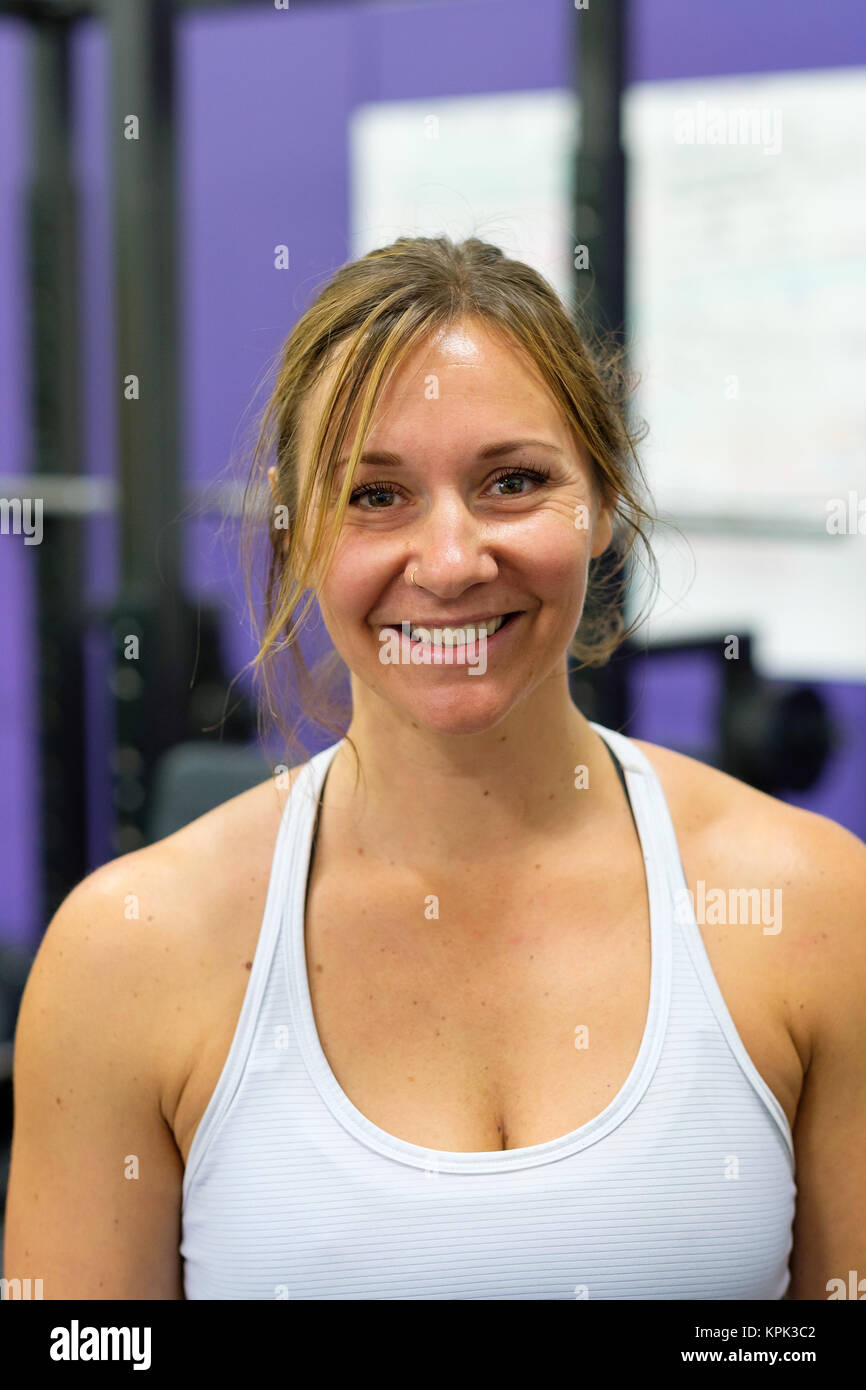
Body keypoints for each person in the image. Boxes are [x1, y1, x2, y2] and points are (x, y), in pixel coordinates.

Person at [5, 236, 865, 1300]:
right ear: (297, 520)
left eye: (511, 482)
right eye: (374, 495)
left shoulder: (812, 908)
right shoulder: (125, 954)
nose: (451, 561)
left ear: (599, 498)